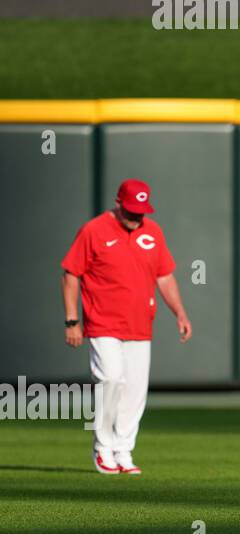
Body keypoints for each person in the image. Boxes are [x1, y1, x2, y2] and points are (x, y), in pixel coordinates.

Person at [62, 179, 193, 475]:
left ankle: (124, 449)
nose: (136, 218)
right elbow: (71, 275)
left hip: (140, 324)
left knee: (134, 390)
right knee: (110, 378)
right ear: (118, 203)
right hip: (102, 322)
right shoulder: (93, 230)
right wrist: (72, 321)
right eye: (131, 211)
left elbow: (165, 276)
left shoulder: (153, 231)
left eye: (141, 212)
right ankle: (103, 448)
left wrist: (180, 313)